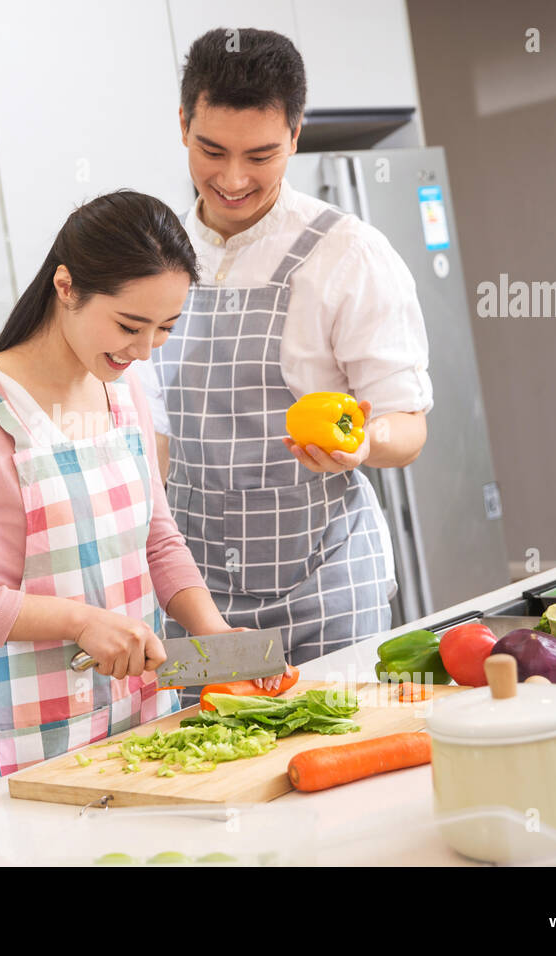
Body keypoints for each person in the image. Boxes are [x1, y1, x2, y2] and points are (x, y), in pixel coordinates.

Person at [0, 191, 270, 787]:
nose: (142, 352)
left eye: (164, 328)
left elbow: (158, 541)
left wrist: (214, 634)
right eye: (128, 325)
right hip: (37, 740)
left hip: (150, 720)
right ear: (66, 286)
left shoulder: (122, 390)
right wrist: (77, 621)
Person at [136, 27, 433, 667]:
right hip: (198, 599)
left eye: (262, 155)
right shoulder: (155, 259)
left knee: (339, 755)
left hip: (326, 587)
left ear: (296, 136)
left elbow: (406, 425)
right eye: (211, 149)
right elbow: (154, 437)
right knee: (211, 762)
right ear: (183, 122)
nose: (234, 178)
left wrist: (360, 443)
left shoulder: (347, 253)